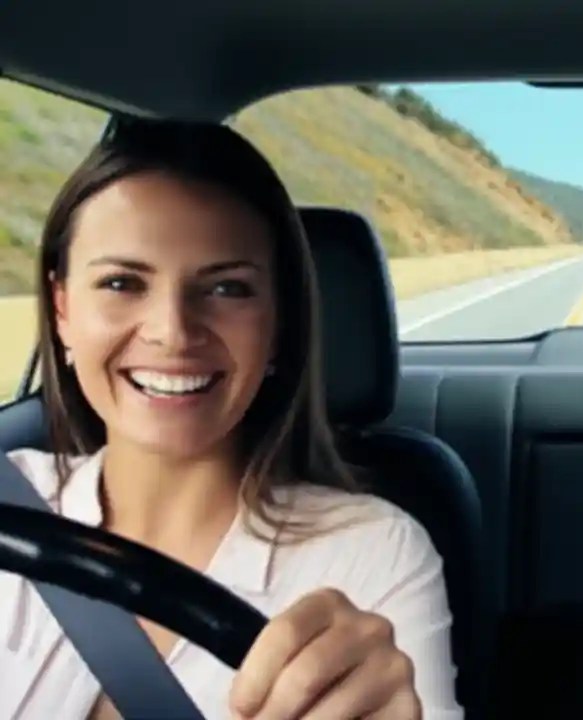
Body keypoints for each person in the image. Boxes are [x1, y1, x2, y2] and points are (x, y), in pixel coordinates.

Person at [0, 119, 463, 719]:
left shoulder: (372, 555)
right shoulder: (11, 498)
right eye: (121, 283)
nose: (173, 332)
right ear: (62, 310)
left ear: (279, 324)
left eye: (226, 290)